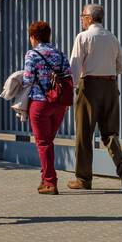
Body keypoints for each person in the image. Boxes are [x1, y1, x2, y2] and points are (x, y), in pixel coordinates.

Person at [67, 3, 122, 191]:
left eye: (82, 16)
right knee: (110, 133)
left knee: (84, 134)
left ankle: (83, 178)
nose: (81, 19)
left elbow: (75, 66)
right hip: (111, 86)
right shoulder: (112, 37)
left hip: (90, 87)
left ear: (89, 18)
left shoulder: (83, 37)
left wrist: (71, 88)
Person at [22, 20, 71, 195]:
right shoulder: (59, 53)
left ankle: (50, 182)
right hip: (59, 104)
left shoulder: (32, 54)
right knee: (48, 142)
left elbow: (27, 80)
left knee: (43, 143)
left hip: (39, 103)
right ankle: (45, 178)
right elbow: (68, 74)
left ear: (34, 37)